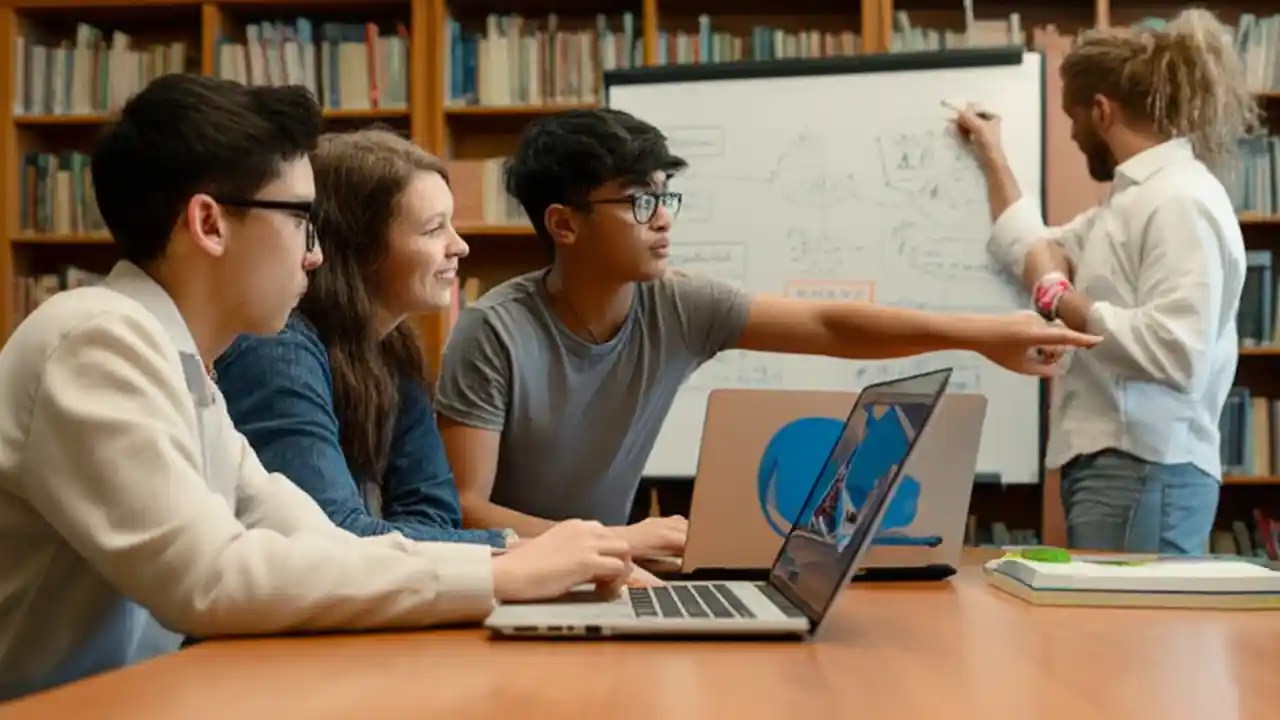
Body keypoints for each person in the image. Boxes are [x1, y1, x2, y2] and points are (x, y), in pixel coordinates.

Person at [0, 75, 634, 700]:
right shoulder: (96, 343)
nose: (317, 255)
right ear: (209, 224)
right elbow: (210, 577)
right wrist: (502, 573)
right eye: (302, 220)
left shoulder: (181, 364)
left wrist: (511, 567)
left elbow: (311, 536)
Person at [434, 107, 1104, 556]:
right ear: (564, 224)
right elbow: (466, 509)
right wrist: (621, 542)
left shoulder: (676, 305)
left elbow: (826, 323)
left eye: (666, 195)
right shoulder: (494, 331)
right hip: (513, 581)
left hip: (608, 572)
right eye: (640, 200)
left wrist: (982, 335)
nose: (663, 218)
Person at [951, 7, 1254, 554]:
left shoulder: (1179, 200)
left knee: (1131, 637)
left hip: (1143, 466)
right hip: (1119, 470)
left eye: (1073, 119)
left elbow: (1175, 353)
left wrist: (1063, 303)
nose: (1071, 134)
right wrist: (992, 157)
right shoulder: (1131, 200)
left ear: (1101, 110)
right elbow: (1033, 248)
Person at [214, 128, 511, 549]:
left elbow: (433, 511)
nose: (459, 246)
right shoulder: (276, 350)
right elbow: (334, 533)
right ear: (359, 249)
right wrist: (512, 548)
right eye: (432, 230)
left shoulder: (392, 348)